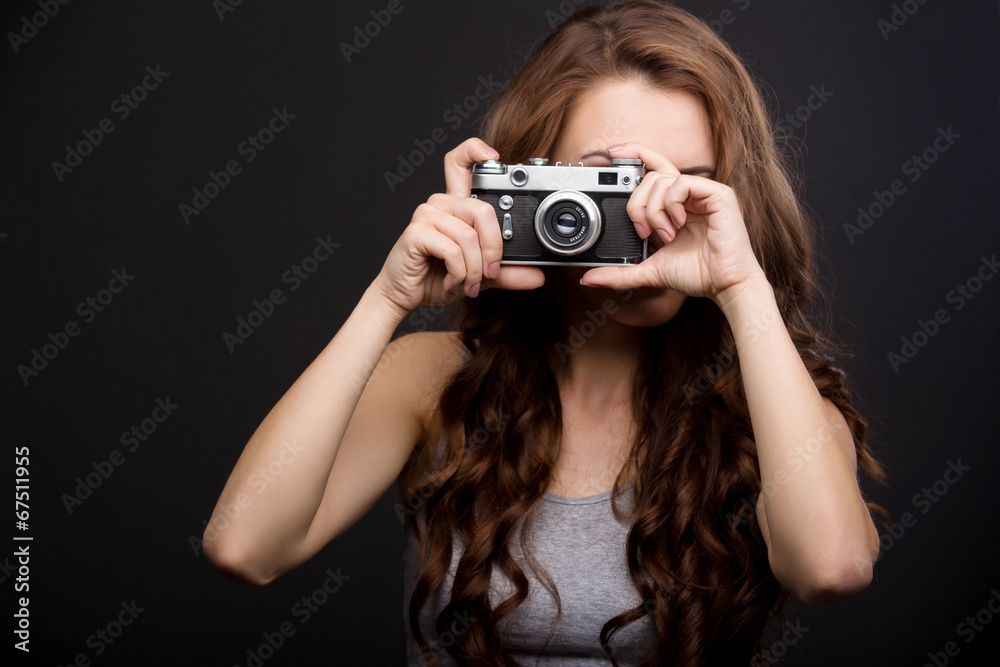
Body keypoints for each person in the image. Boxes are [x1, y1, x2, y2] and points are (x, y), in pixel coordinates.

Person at [203, 1, 887, 664]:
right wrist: (389, 298)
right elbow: (244, 546)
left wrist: (743, 289)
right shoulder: (433, 378)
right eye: (608, 186)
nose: (650, 222)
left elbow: (832, 569)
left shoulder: (770, 399)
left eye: (690, 187)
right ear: (528, 189)